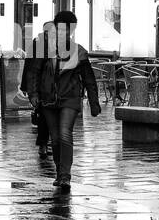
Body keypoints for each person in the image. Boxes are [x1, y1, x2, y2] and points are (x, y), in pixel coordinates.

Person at [24, 10, 102, 190]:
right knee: (56, 137)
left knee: (65, 134)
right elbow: (33, 72)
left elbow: (88, 78)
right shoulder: (44, 50)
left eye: (65, 30)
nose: (61, 33)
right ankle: (60, 172)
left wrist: (94, 102)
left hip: (70, 98)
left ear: (70, 32)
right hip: (48, 99)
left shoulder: (79, 51)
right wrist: (33, 95)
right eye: (58, 30)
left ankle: (66, 175)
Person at [23, 22, 56, 156]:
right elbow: (31, 68)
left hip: (55, 88)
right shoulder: (38, 45)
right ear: (47, 33)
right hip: (42, 88)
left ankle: (48, 144)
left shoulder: (58, 44)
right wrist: (31, 91)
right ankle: (42, 145)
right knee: (43, 118)